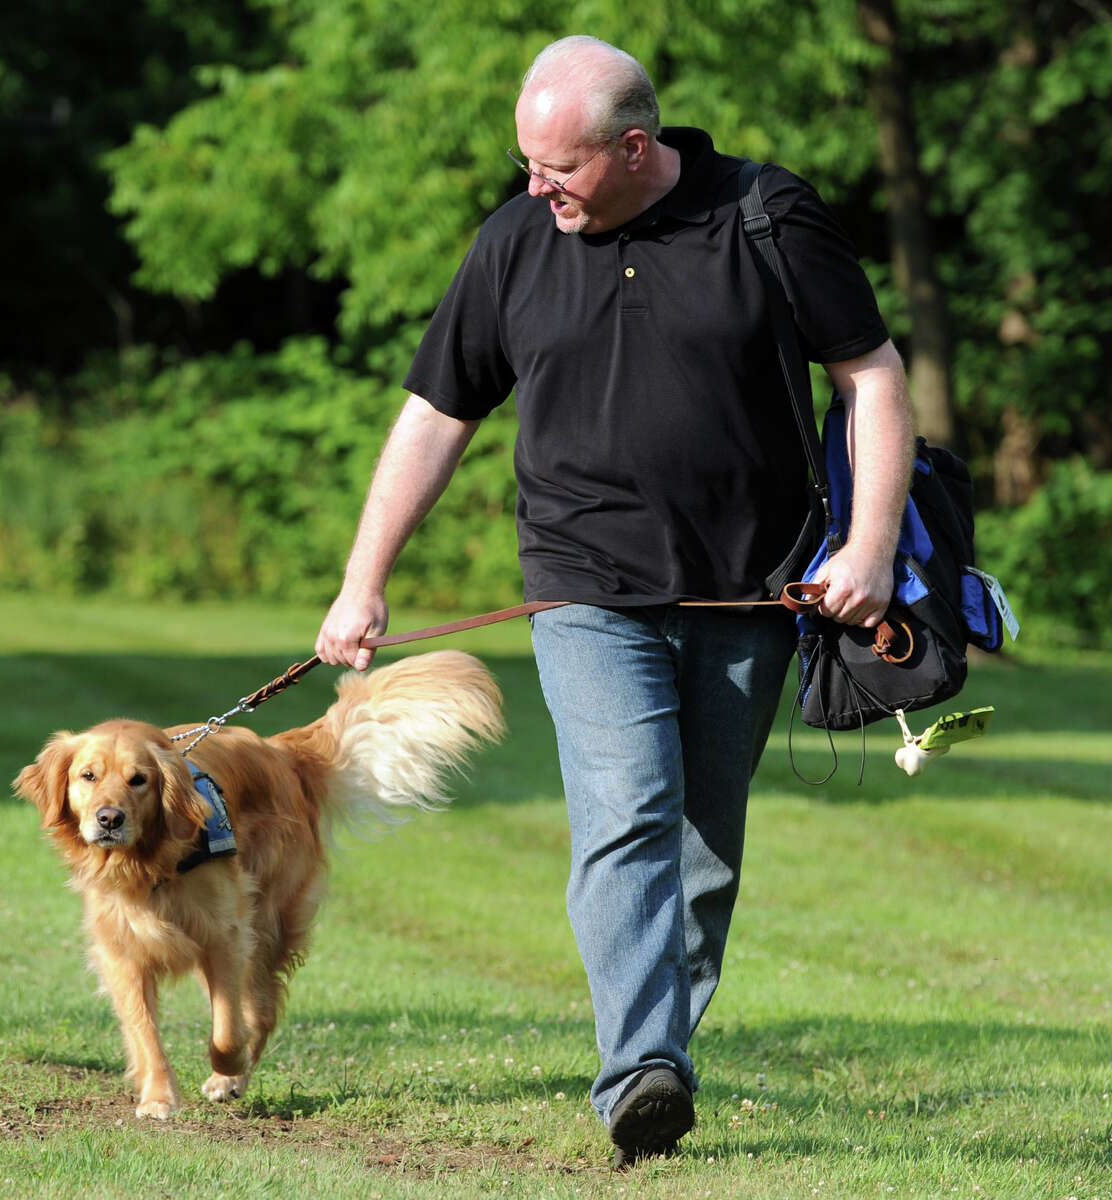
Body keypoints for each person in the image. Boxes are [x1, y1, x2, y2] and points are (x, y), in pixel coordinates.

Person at [316, 35, 914, 1167]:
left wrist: (872, 543)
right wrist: (365, 578)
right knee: (630, 807)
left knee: (702, 854)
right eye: (526, 166)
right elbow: (436, 415)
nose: (537, 189)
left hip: (753, 589)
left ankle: (656, 1065)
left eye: (561, 169)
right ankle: (640, 1069)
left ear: (635, 146)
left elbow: (870, 374)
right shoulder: (513, 244)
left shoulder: (765, 217)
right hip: (584, 582)